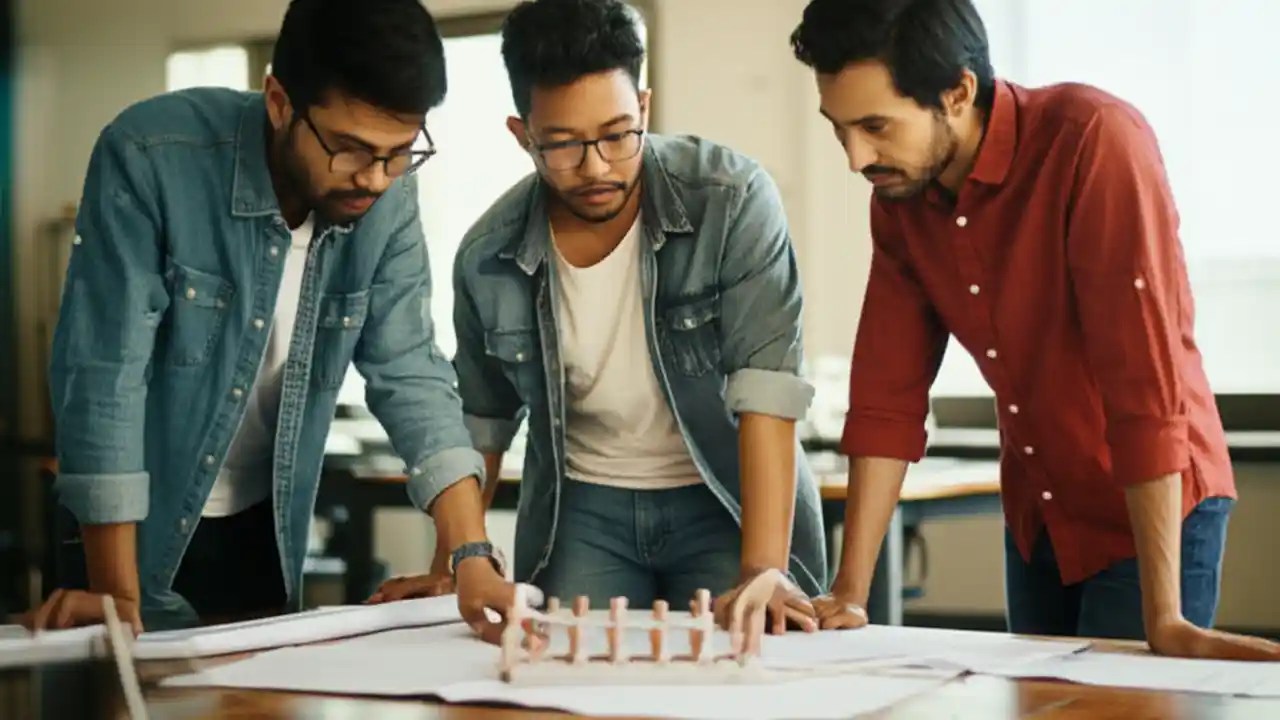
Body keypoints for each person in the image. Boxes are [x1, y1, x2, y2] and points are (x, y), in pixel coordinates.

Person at [791, 0, 1280, 660]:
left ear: (957, 92)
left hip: (1151, 509)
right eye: (840, 129)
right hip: (1042, 513)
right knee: (1040, 700)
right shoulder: (901, 194)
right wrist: (850, 592)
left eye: (876, 126)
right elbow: (886, 397)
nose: (856, 158)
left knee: (1122, 702)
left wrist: (1163, 616)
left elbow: (1142, 386)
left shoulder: (1093, 140)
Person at [28, 0, 513, 637]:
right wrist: (116, 594)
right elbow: (105, 373)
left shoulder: (388, 198)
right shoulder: (151, 155)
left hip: (264, 525)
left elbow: (410, 369)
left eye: (399, 153)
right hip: (124, 534)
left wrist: (470, 552)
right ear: (280, 103)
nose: (374, 179)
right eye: (350, 150)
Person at [371, 0, 825, 635]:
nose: (596, 167)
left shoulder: (732, 200)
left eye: (617, 135)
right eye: (561, 145)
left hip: (725, 497)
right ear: (522, 134)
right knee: (564, 669)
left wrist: (763, 567)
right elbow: (482, 420)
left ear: (644, 108)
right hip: (584, 509)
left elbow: (767, 388)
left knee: (743, 661)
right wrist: (454, 562)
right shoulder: (488, 255)